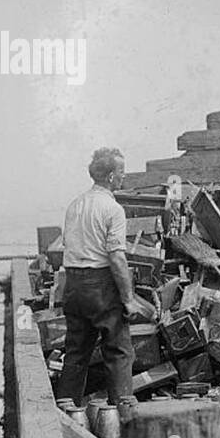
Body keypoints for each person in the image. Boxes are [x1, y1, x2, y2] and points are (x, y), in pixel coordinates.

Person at [56, 147, 139, 406]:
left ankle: (67, 413)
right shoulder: (112, 209)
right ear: (112, 176)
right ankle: (122, 420)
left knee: (76, 353)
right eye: (122, 172)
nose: (124, 177)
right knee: (119, 352)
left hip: (73, 284)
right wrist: (128, 299)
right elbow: (116, 257)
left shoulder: (75, 205)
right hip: (100, 285)